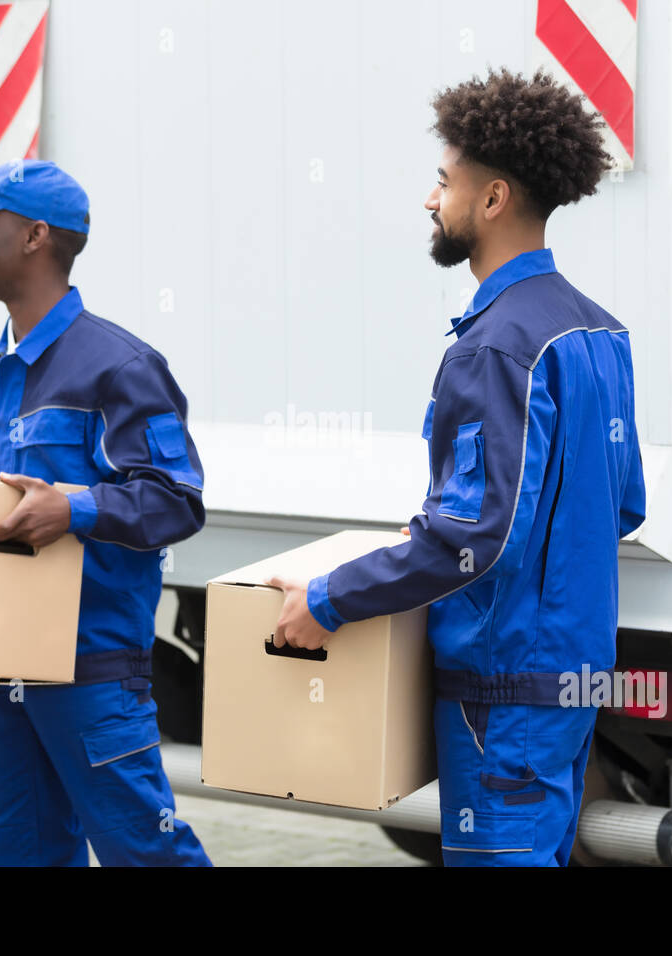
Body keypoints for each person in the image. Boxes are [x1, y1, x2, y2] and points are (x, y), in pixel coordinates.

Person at [268, 69, 646, 867]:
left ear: (494, 198)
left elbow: (473, 535)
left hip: (502, 693)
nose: (430, 200)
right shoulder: (602, 336)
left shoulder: (494, 346)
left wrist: (328, 601)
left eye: (443, 183)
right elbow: (621, 508)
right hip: (571, 685)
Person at [0, 159, 211, 866]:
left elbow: (178, 499)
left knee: (145, 854)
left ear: (33, 237)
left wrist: (76, 508)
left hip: (89, 671)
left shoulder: (118, 368)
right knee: (22, 856)